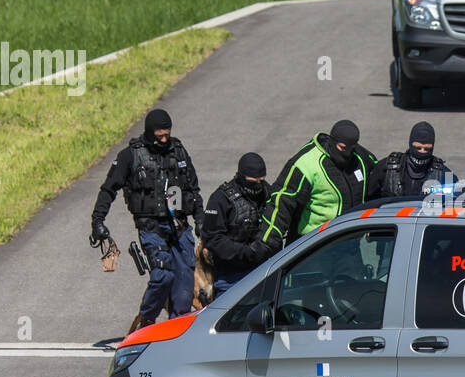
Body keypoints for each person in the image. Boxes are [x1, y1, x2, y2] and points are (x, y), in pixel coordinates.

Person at [90, 108, 203, 334]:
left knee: (183, 284)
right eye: (159, 136)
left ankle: (176, 333)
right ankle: (147, 322)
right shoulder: (130, 155)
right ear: (150, 133)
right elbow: (108, 189)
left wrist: (200, 219)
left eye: (167, 135)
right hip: (151, 228)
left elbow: (192, 189)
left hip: (179, 227)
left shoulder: (178, 151)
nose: (164, 140)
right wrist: (98, 220)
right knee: (163, 275)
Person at [255, 119, 377, 257]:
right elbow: (281, 202)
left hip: (349, 245)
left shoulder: (361, 158)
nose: (347, 153)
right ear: (332, 141)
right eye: (342, 148)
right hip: (312, 246)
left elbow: (379, 183)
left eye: (352, 148)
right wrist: (266, 244)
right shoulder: (305, 163)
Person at [201, 153, 269, 297]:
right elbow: (212, 238)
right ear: (241, 176)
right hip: (230, 276)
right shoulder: (221, 198)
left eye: (261, 181)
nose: (257, 185)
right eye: (253, 181)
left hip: (263, 270)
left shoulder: (267, 192)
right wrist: (246, 252)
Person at [366, 120, 456, 200]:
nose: (422, 152)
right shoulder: (387, 168)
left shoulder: (443, 174)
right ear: (410, 144)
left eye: (427, 149)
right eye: (418, 148)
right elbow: (367, 199)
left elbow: (458, 200)